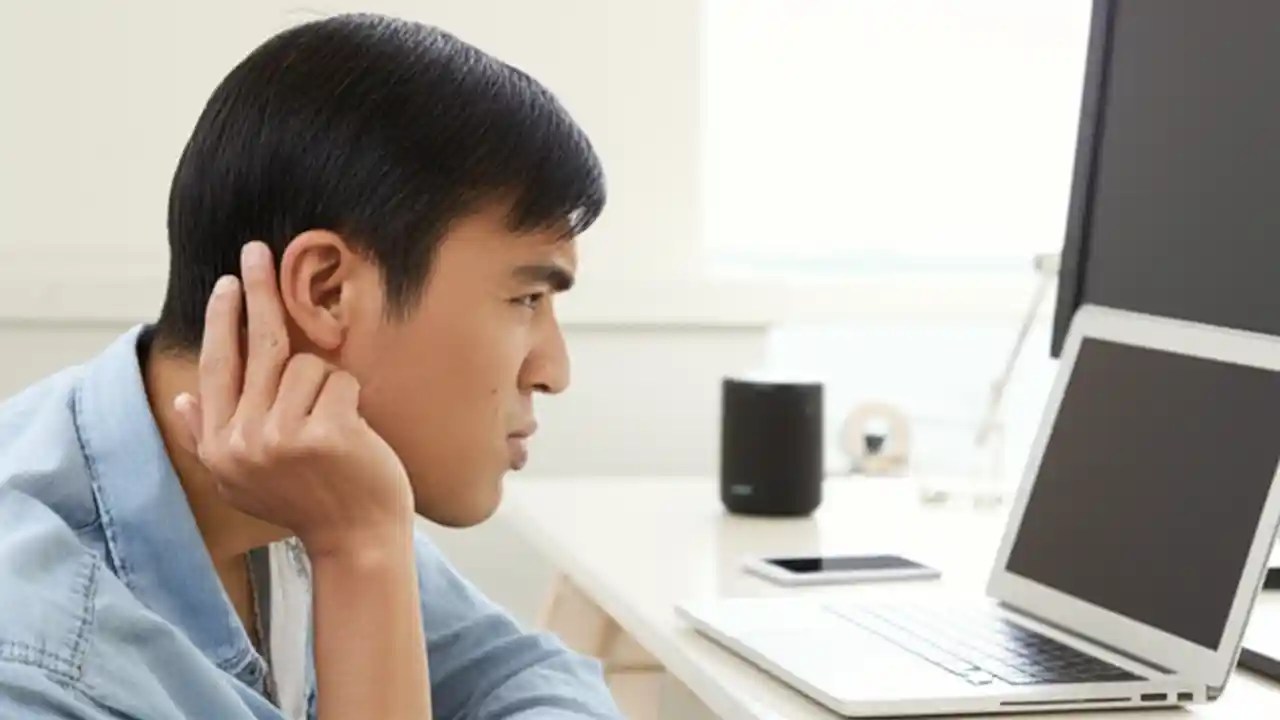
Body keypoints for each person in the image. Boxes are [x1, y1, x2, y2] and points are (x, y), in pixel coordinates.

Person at [0, 12, 622, 720]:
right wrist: (359, 553)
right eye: (526, 297)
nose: (554, 370)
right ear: (326, 290)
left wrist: (363, 544)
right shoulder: (32, 658)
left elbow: (536, 680)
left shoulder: (306, 472)